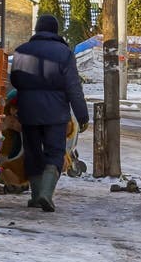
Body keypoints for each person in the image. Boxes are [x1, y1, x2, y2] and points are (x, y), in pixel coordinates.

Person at [9, 14, 89, 212]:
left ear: (36, 29)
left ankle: (36, 196)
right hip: (55, 113)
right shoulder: (64, 53)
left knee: (33, 153)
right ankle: (46, 193)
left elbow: (15, 81)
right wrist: (82, 115)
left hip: (28, 111)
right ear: (55, 31)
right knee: (54, 152)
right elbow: (73, 87)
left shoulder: (21, 51)